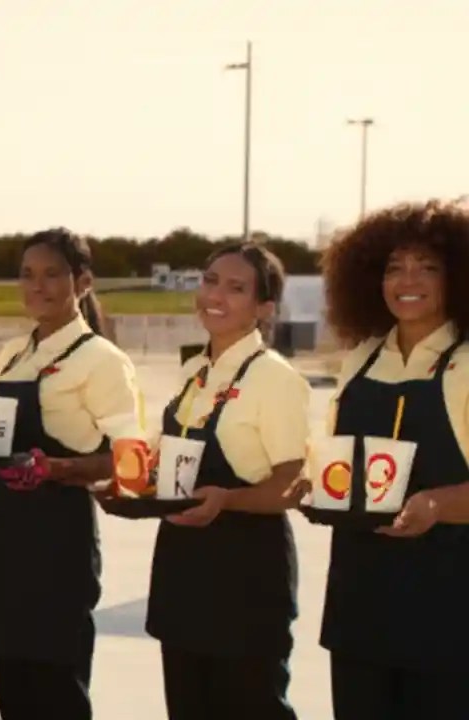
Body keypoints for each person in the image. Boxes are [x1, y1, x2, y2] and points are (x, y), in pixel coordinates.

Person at [0, 228, 139, 720]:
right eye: (27, 275)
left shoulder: (101, 360)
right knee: (11, 692)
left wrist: (60, 468)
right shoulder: (14, 353)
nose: (36, 286)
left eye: (51, 274)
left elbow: (129, 458)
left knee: (56, 696)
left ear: (82, 281)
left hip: (55, 546)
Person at [318, 200, 469, 720]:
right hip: (360, 603)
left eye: (428, 267)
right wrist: (310, 485)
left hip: (450, 612)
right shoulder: (360, 358)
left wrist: (434, 503)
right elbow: (338, 460)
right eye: (393, 267)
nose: (408, 279)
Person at [144, 242, 308, 720]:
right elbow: (163, 459)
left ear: (264, 308)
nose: (215, 294)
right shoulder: (194, 371)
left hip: (246, 581)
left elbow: (290, 485)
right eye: (210, 280)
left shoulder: (274, 379)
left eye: (236, 288)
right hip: (183, 575)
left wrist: (226, 499)